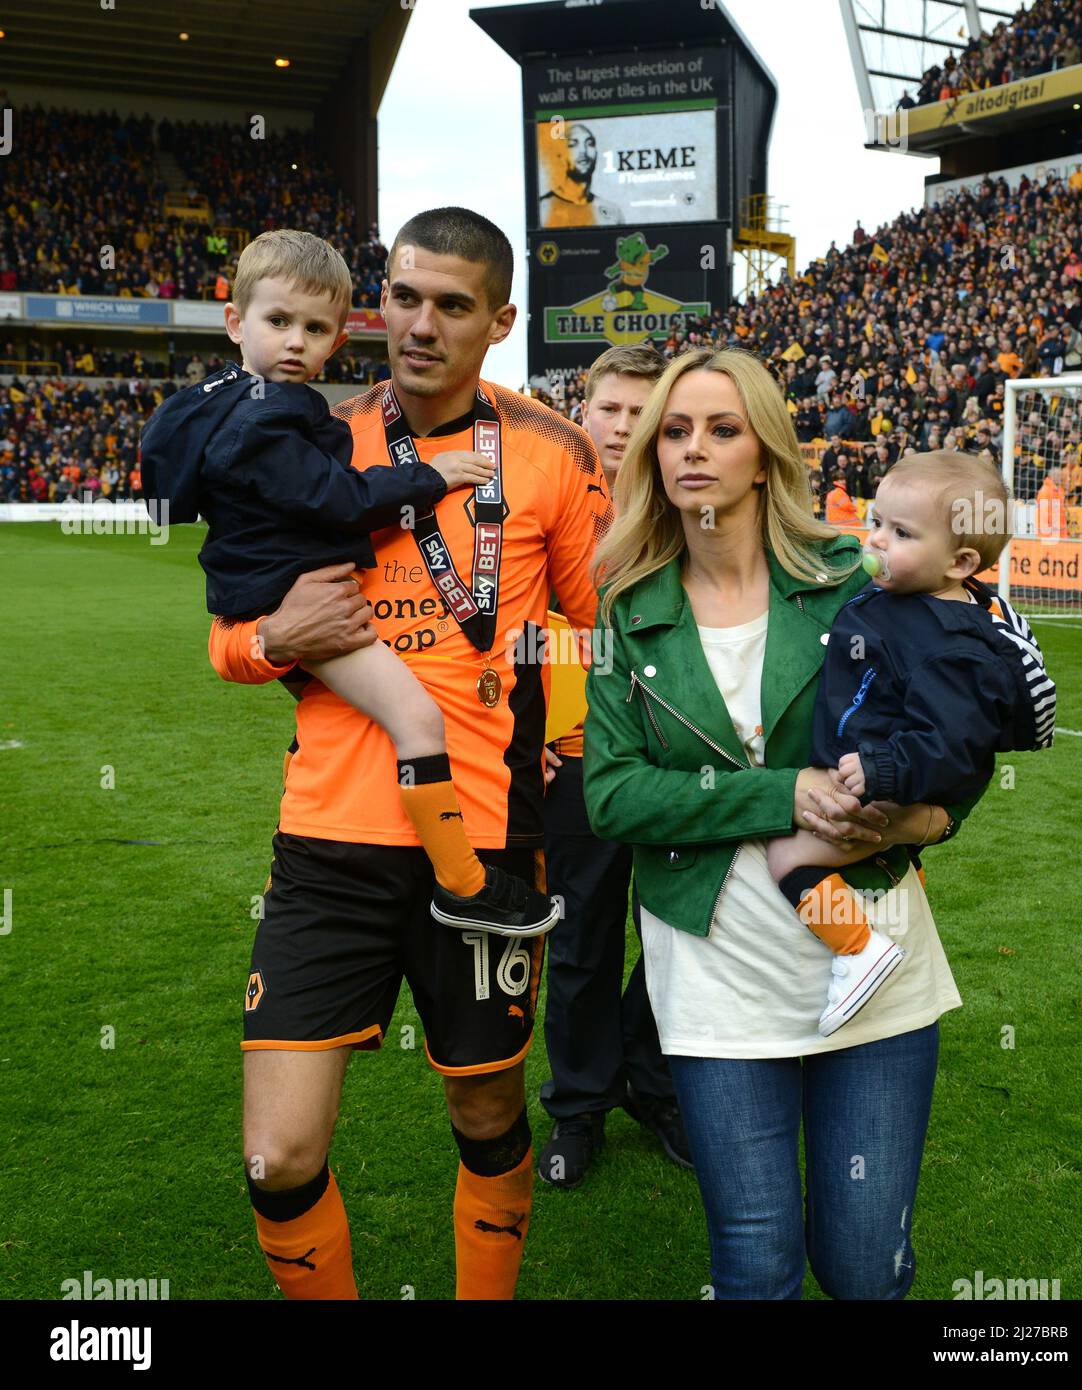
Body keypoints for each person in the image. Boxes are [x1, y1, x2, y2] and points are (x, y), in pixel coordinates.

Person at [207, 208, 612, 1300]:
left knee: (484, 1112)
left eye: (451, 305)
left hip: (484, 853)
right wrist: (271, 641)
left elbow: (598, 625)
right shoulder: (308, 437)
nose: (418, 324)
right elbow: (228, 633)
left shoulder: (551, 453)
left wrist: (562, 740)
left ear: (500, 319)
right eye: (402, 296)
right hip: (327, 843)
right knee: (277, 1155)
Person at [582, 346, 979, 1300]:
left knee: (862, 1267)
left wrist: (926, 819)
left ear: (765, 453)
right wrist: (781, 794)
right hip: (717, 986)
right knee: (754, 1267)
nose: (694, 450)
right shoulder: (625, 609)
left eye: (723, 430)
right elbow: (611, 794)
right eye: (673, 431)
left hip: (874, 964)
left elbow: (962, 723)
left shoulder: (858, 579)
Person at [141, 229, 555, 940]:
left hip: (267, 592)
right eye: (278, 322)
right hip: (289, 600)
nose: (296, 342)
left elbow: (162, 486)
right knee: (419, 721)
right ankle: (465, 882)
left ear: (338, 338)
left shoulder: (216, 401)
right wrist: (432, 477)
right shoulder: (269, 416)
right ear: (237, 323)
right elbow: (339, 499)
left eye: (315, 328)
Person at [767, 452, 1055, 1035]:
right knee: (869, 852)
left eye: (900, 533)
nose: (876, 542)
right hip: (873, 773)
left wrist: (883, 770)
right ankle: (903, 880)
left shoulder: (951, 645)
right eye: (877, 523)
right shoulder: (905, 600)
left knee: (787, 856)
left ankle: (858, 950)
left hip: (887, 786)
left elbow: (952, 744)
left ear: (961, 561)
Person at [538, 343, 691, 1188]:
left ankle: (653, 1080)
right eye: (611, 409)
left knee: (677, 934)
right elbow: (518, 632)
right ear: (582, 408)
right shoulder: (548, 498)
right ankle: (580, 1107)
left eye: (643, 412)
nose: (625, 426)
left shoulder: (691, 501)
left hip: (676, 764)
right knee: (583, 942)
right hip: (578, 757)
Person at [538, 122, 622, 229]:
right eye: (573, 144)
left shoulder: (612, 212)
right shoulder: (542, 209)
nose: (583, 151)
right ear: (560, 156)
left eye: (589, 143)